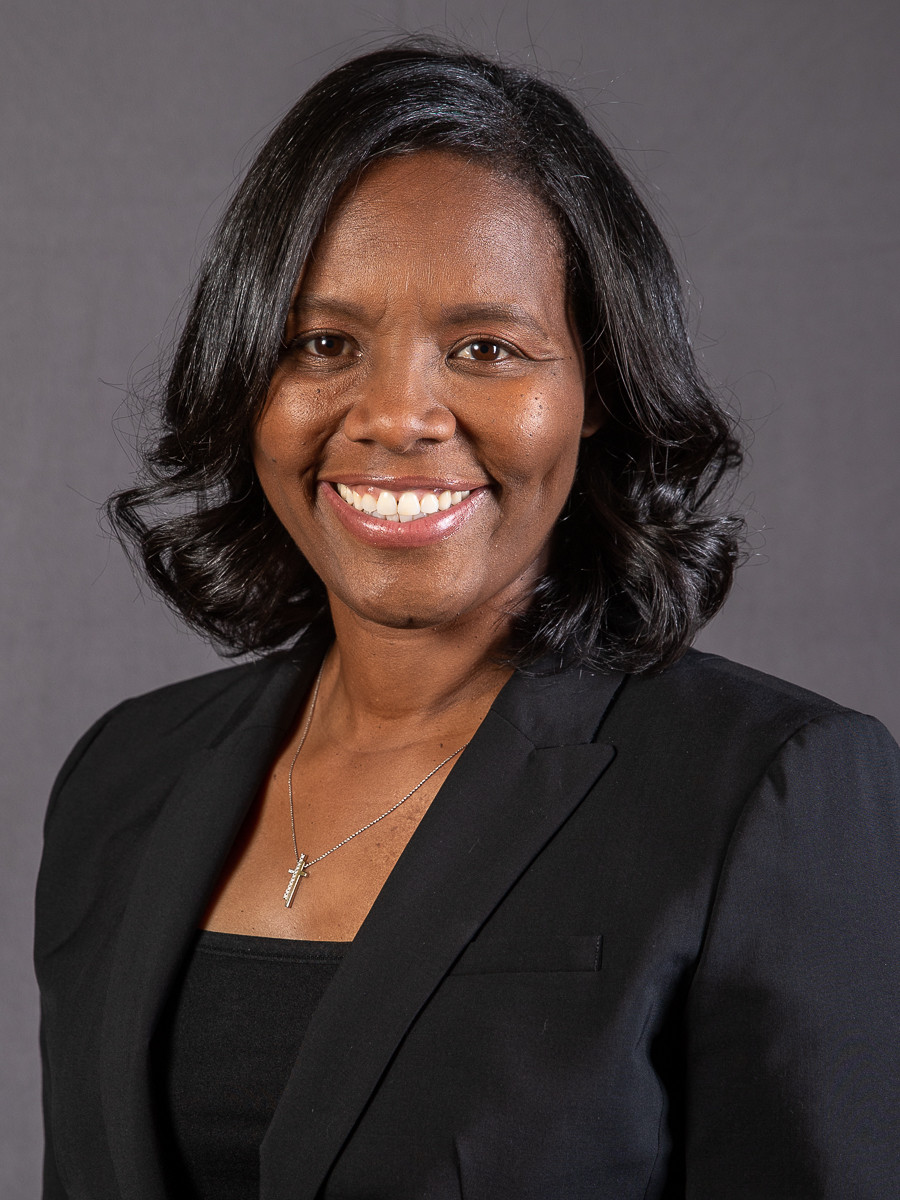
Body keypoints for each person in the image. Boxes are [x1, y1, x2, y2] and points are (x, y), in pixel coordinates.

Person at [35, 40, 900, 1200]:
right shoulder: (122, 778)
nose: (397, 416)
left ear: (595, 391)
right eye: (323, 344)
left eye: (486, 348)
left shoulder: (770, 792)